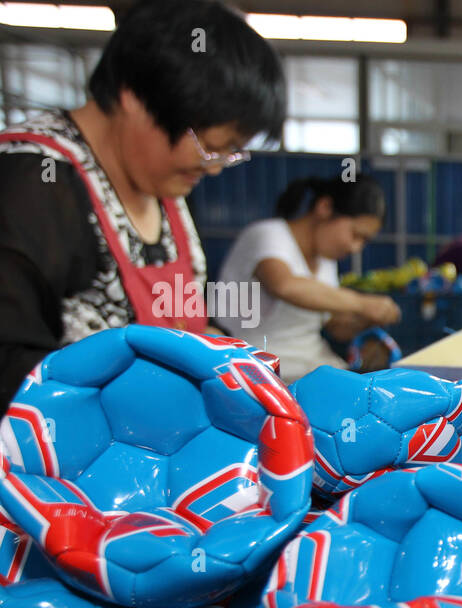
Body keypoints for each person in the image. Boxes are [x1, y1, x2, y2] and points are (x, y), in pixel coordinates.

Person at [0, 0, 286, 412]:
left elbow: (186, 324)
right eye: (210, 147)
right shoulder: (33, 180)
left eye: (229, 154)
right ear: (135, 95)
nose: (216, 169)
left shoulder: (161, 181)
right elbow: (11, 370)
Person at [218, 175, 399, 382]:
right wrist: (362, 303)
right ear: (324, 207)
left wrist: (366, 323)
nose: (355, 247)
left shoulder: (326, 261)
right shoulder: (268, 234)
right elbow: (283, 285)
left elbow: (333, 326)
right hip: (256, 371)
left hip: (312, 366)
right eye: (355, 234)